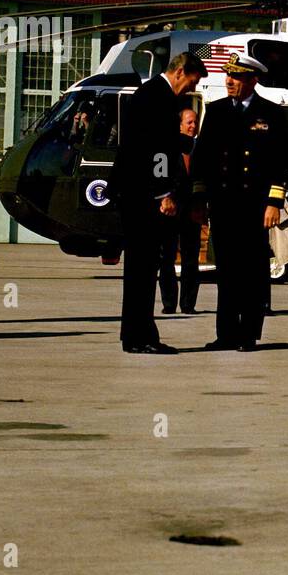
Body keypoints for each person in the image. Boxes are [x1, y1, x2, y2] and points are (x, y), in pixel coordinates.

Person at [192, 53, 288, 350]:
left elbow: (280, 162)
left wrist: (274, 203)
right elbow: (203, 157)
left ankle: (248, 332)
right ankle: (225, 333)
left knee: (251, 270)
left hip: (255, 205)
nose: (229, 81)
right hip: (224, 203)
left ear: (253, 80)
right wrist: (199, 198)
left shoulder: (270, 113)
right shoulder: (218, 110)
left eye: (236, 77)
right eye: (228, 76)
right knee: (227, 269)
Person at [113, 51, 206, 354]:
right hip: (143, 196)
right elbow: (154, 151)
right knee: (141, 268)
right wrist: (163, 192)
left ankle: (138, 333)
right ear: (180, 71)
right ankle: (139, 337)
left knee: (142, 268)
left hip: (137, 193)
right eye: (190, 83)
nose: (189, 90)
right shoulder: (159, 97)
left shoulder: (152, 94)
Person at [158, 103, 202, 316]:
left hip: (192, 209)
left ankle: (188, 303)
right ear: (180, 126)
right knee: (166, 257)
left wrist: (201, 205)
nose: (193, 126)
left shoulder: (199, 148)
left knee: (191, 258)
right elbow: (159, 175)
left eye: (196, 122)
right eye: (189, 122)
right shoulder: (168, 148)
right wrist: (165, 198)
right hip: (171, 209)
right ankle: (168, 303)